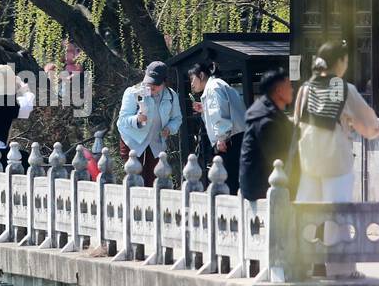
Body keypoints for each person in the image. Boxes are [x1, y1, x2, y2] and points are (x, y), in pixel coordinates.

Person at [293, 40, 379, 280]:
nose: (347, 65)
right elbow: (365, 121)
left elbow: (297, 121)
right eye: (346, 60)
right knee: (337, 214)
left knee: (306, 213)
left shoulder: (306, 88)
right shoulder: (343, 88)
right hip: (336, 160)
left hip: (308, 160)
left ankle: (299, 266)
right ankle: (341, 269)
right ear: (338, 62)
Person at [117, 60, 183, 187]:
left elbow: (177, 118)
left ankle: (152, 206)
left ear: (164, 82)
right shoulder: (132, 92)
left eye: (155, 85)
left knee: (154, 179)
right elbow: (122, 120)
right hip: (132, 139)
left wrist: (169, 128)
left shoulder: (171, 95)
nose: (151, 88)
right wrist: (137, 119)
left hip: (156, 141)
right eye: (148, 83)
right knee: (135, 179)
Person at [240, 68, 297, 202]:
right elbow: (278, 157)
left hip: (265, 184)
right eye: (289, 86)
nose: (292, 90)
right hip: (261, 190)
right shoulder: (265, 121)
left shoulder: (267, 112)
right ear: (278, 91)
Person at [188, 62, 246, 193]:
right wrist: (204, 110)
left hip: (230, 139)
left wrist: (221, 137)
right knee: (235, 178)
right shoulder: (218, 84)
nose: (191, 84)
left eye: (193, 79)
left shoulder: (213, 88)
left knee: (230, 181)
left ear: (201, 75)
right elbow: (220, 111)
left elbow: (219, 113)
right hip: (236, 135)